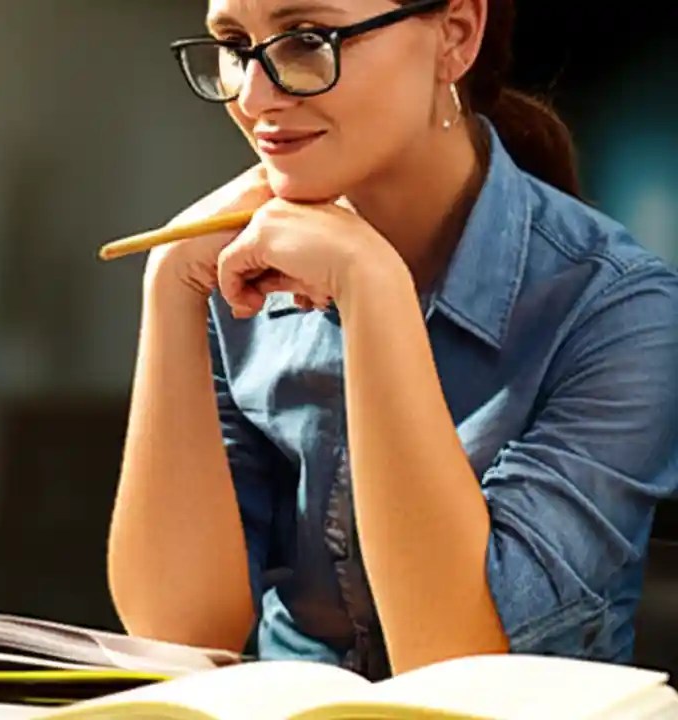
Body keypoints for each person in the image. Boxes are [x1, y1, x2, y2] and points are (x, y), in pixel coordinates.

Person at [107, 0, 678, 680]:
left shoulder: (621, 309)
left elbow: (459, 674)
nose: (253, 94)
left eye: (306, 39)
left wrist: (371, 286)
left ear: (456, 35)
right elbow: (180, 636)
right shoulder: (234, 282)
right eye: (234, 43)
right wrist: (171, 285)